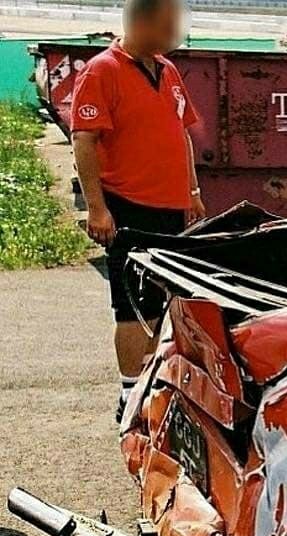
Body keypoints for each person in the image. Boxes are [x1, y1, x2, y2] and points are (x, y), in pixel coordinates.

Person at [70, 0, 203, 419]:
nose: (173, 35)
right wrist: (97, 208)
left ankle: (158, 383)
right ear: (141, 21)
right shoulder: (102, 70)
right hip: (129, 206)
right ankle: (130, 393)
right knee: (132, 306)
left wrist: (193, 189)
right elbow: (84, 139)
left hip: (172, 207)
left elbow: (180, 132)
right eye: (166, 26)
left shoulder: (168, 70)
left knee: (168, 301)